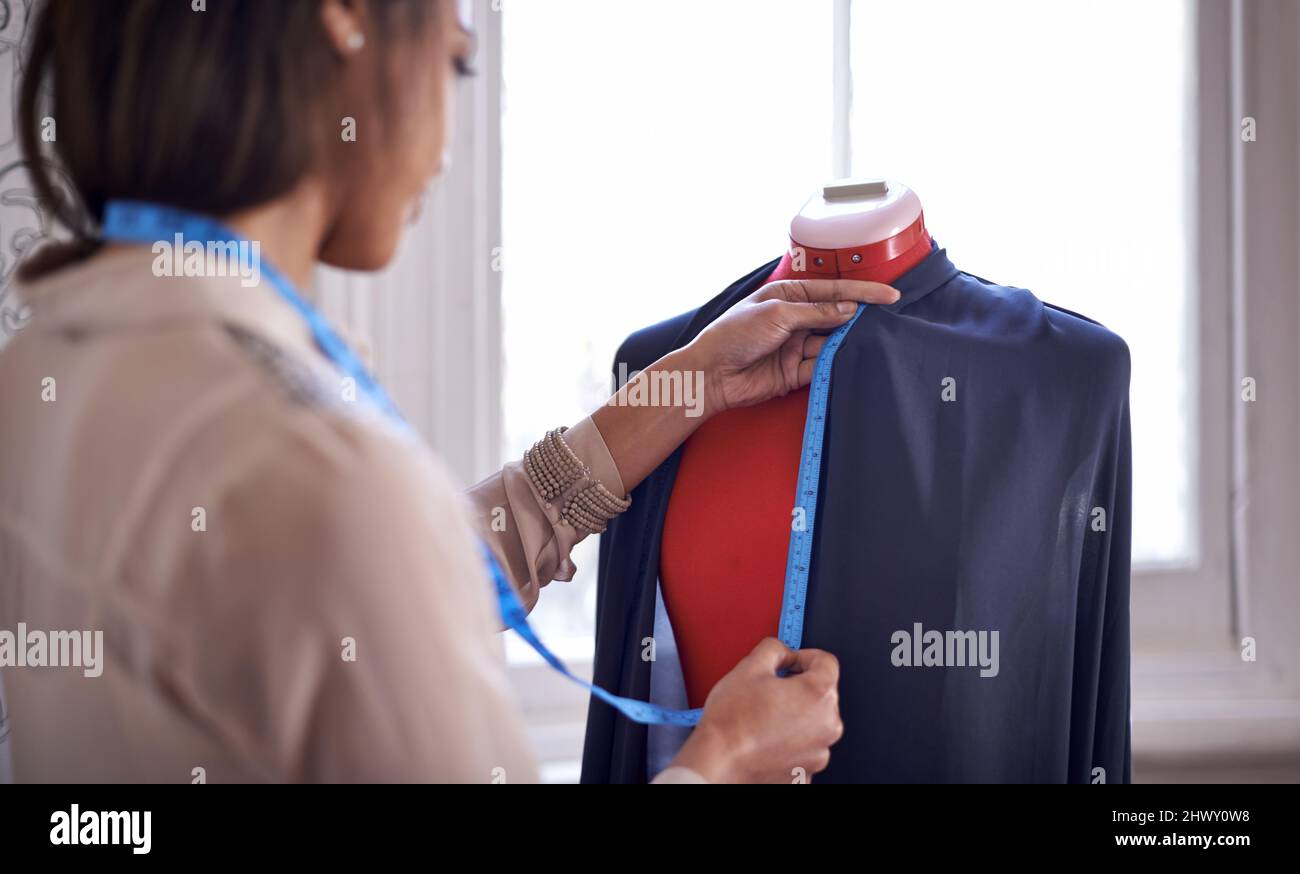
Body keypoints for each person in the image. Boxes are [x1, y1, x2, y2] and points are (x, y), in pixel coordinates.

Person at [0, 0, 898, 783]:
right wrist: (725, 763)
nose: (447, 131)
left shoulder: (43, 370)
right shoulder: (315, 471)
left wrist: (689, 383)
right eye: (457, 57)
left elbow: (330, 620)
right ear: (344, 20)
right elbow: (346, 566)